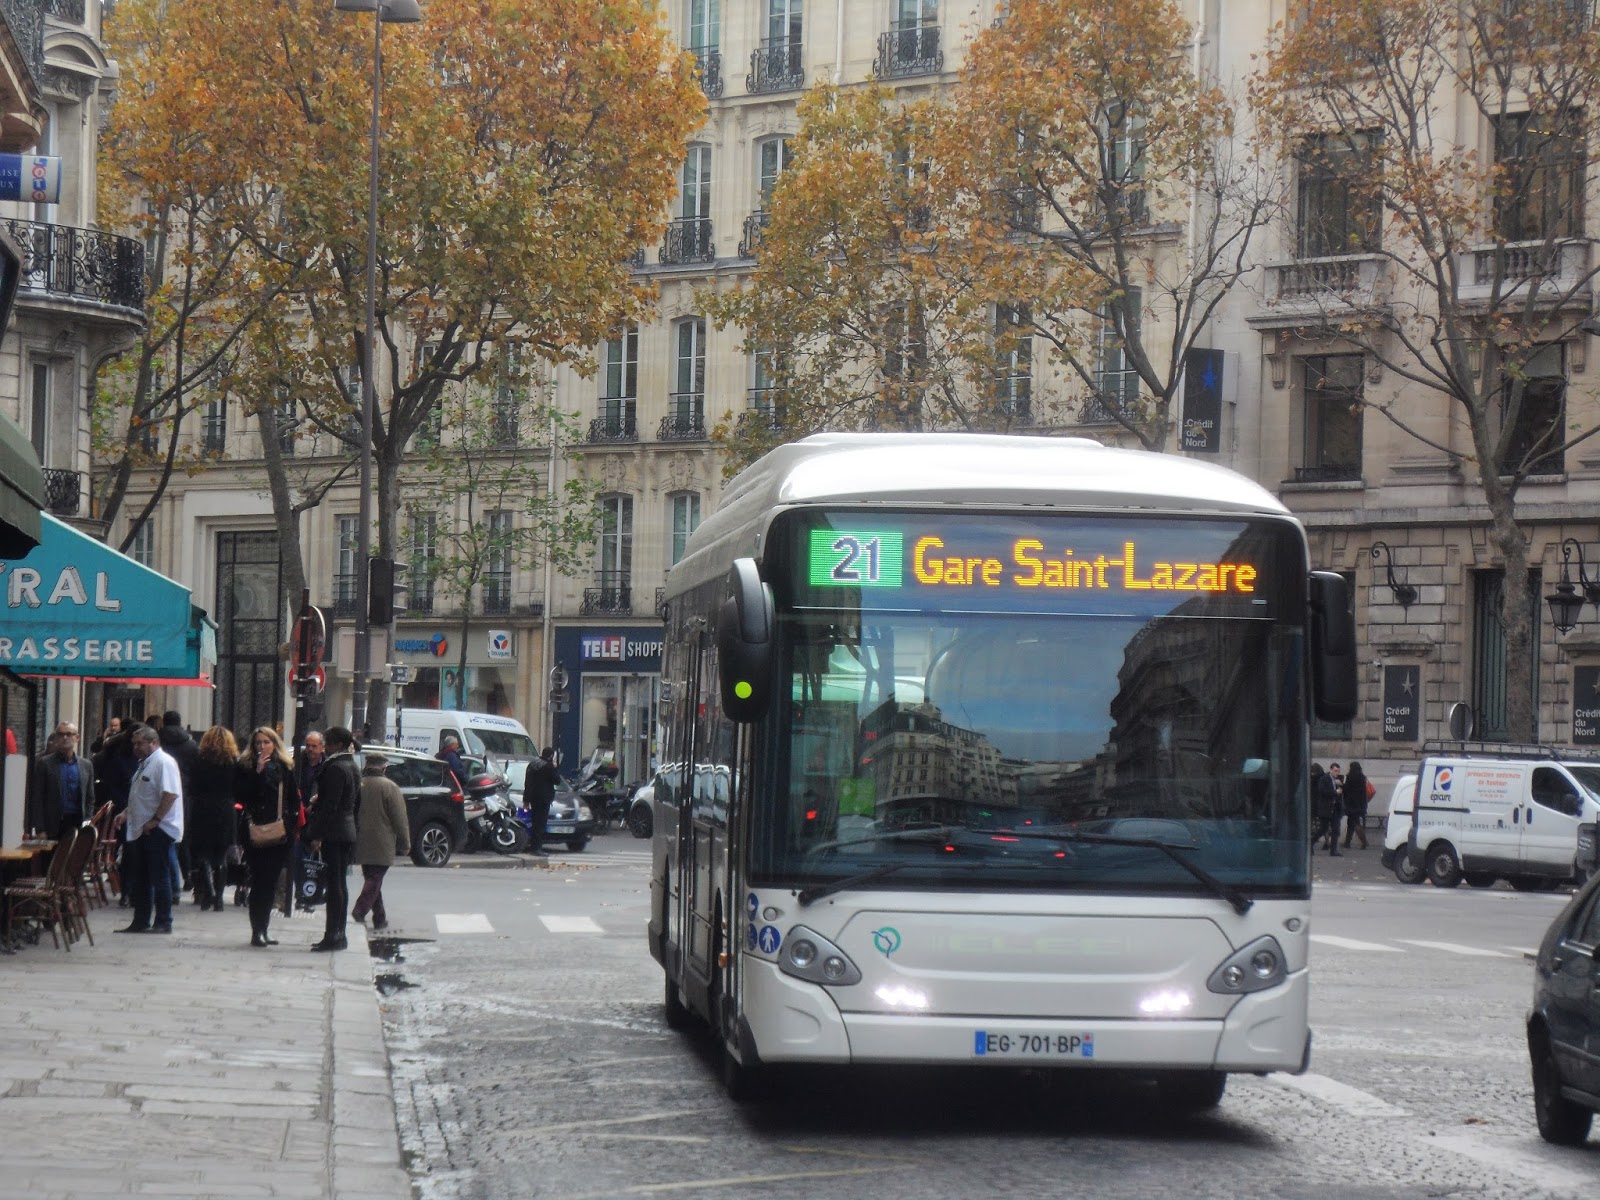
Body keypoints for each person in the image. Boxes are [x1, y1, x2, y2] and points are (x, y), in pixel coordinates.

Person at [113, 724, 184, 934]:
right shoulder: (144, 764)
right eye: (134, 743)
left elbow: (170, 794)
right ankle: (141, 920)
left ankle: (163, 921)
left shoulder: (163, 762)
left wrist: (156, 820)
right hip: (141, 829)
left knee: (159, 876)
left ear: (153, 743)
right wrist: (126, 813)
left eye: (140, 743)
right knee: (142, 876)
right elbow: (142, 795)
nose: (135, 747)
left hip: (158, 830)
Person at [236, 727, 300, 947]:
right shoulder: (246, 766)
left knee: (271, 882)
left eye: (266, 742)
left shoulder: (285, 767)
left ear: (275, 744)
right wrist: (258, 773)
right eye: (258, 743)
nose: (262, 747)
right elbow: (242, 796)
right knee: (258, 881)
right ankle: (257, 931)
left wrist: (289, 823)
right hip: (255, 831)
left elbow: (293, 799)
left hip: (279, 831)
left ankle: (264, 928)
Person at [305, 726, 360, 952]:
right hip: (346, 829)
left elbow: (331, 806)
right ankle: (339, 933)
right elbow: (354, 802)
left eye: (327, 741)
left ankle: (333, 934)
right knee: (339, 883)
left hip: (335, 831)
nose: (324, 745)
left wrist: (316, 833)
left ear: (336, 744)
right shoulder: (351, 765)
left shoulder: (336, 768)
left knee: (335, 884)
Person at [350, 753, 410, 931]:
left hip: (360, 839)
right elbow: (399, 818)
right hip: (382, 841)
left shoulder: (359, 784)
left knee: (372, 878)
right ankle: (359, 910)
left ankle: (380, 917)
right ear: (384, 767)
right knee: (375, 880)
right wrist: (405, 843)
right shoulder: (390, 787)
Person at [188, 727, 239, 912]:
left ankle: (208, 891)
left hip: (203, 809)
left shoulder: (199, 761)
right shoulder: (233, 762)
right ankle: (219, 897)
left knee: (203, 854)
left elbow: (192, 788)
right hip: (226, 809)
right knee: (221, 855)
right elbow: (238, 789)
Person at [27, 721, 93, 838]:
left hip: (77, 824)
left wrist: (87, 820)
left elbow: (89, 797)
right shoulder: (45, 763)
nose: (65, 738)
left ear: (77, 738)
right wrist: (40, 829)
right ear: (56, 738)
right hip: (52, 826)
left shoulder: (86, 765)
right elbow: (37, 798)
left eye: (69, 734)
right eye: (61, 734)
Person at [293, 731, 326, 911]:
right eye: (308, 745)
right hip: (299, 816)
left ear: (322, 747)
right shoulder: (298, 763)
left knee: (313, 861)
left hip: (315, 819)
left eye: (315, 746)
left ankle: (310, 895)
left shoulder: (327, 766)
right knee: (298, 859)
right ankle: (300, 894)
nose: (311, 749)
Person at [523, 746, 559, 855]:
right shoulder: (548, 767)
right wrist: (555, 767)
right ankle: (537, 848)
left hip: (533, 798)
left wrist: (526, 800)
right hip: (544, 799)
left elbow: (527, 783)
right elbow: (557, 780)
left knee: (535, 822)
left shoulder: (532, 765)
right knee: (541, 824)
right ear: (551, 756)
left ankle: (533, 846)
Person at [1342, 761, 1372, 850]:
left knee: (1354, 823)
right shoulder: (1363, 777)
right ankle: (1347, 842)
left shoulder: (1350, 777)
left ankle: (1364, 841)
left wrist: (1342, 786)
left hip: (1351, 804)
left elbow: (1347, 789)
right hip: (1361, 804)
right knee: (1352, 823)